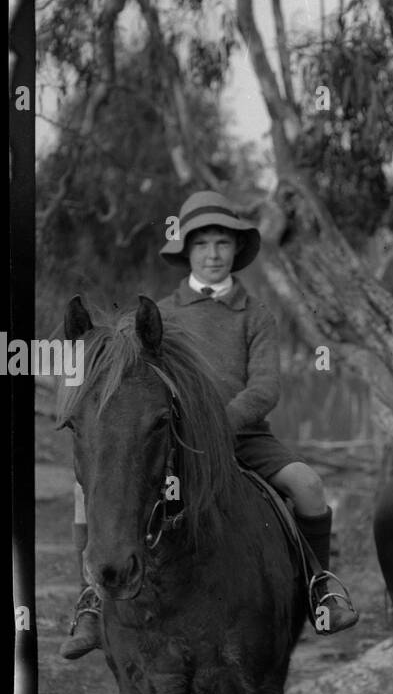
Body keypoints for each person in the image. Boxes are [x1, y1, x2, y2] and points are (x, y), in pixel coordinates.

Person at [60, 190, 358, 658]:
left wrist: (219, 423)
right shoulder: (158, 313)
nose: (213, 254)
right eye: (203, 245)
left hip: (244, 437)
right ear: (187, 252)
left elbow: (265, 389)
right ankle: (92, 599)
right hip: (173, 440)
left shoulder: (255, 315)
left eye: (222, 244)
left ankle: (319, 584)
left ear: (236, 250)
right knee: (88, 492)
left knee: (308, 484)